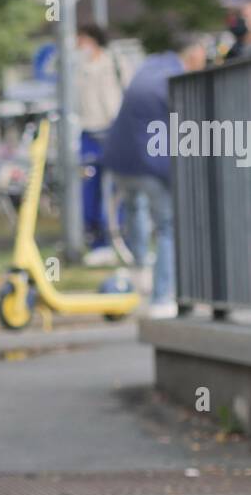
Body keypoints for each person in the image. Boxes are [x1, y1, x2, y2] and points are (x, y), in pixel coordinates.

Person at [101, 32, 208, 319]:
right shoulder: (175, 79)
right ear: (195, 53)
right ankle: (161, 298)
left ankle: (140, 270)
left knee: (135, 206)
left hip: (118, 159)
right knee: (168, 226)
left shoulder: (150, 66)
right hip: (147, 162)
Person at [75, 22, 123, 263]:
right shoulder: (77, 67)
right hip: (88, 133)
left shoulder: (114, 63)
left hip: (114, 131)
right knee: (89, 189)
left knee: (118, 190)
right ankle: (97, 242)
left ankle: (119, 239)